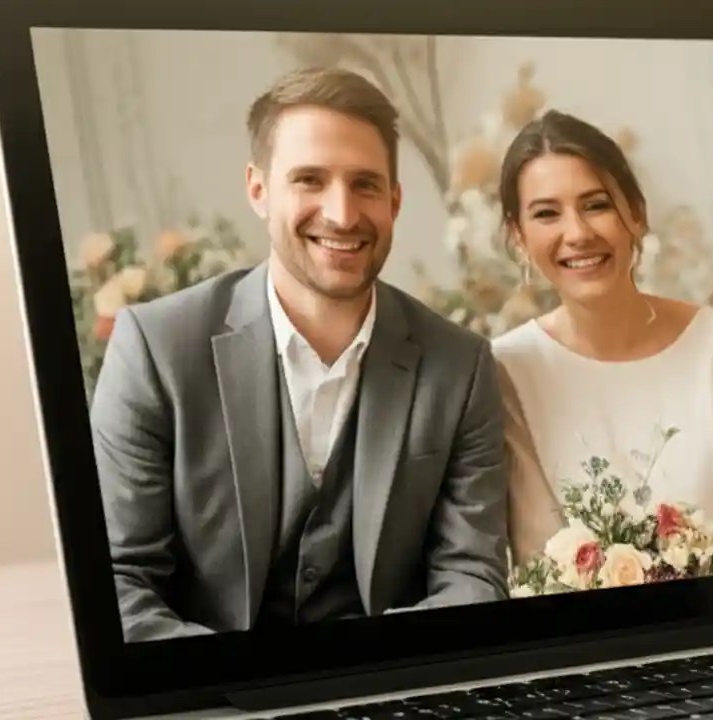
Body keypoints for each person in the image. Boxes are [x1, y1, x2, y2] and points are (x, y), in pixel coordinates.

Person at [91, 67, 510, 642]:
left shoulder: (461, 366)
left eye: (365, 184)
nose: (341, 214)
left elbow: (472, 579)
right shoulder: (155, 349)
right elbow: (117, 583)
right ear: (258, 189)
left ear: (394, 200)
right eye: (310, 180)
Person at [491, 110, 713, 576]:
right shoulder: (507, 370)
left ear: (636, 215)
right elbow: (541, 568)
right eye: (547, 213)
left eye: (597, 204)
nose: (578, 233)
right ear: (519, 238)